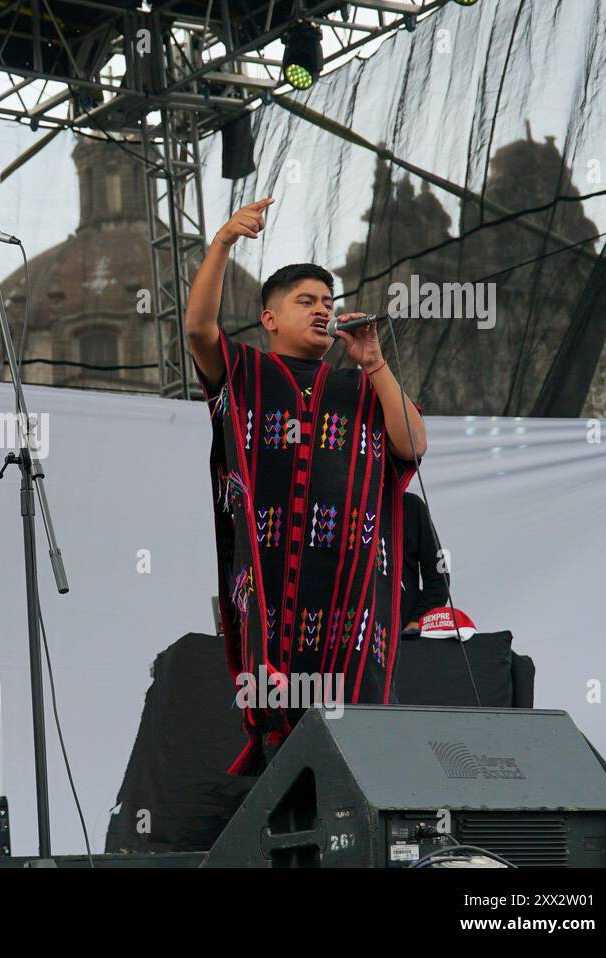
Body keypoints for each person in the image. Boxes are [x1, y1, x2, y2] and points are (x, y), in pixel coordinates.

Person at [185, 198, 429, 774]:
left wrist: (374, 362)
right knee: (284, 757)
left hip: (350, 594)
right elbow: (197, 328)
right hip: (272, 593)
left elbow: (413, 445)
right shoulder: (245, 371)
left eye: (328, 301)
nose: (323, 310)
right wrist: (222, 242)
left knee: (357, 751)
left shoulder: (360, 387)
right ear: (269, 319)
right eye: (306, 301)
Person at [400, 491, 451, 632]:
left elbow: (440, 580)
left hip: (405, 637)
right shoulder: (339, 506)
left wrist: (416, 622)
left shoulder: (411, 505)